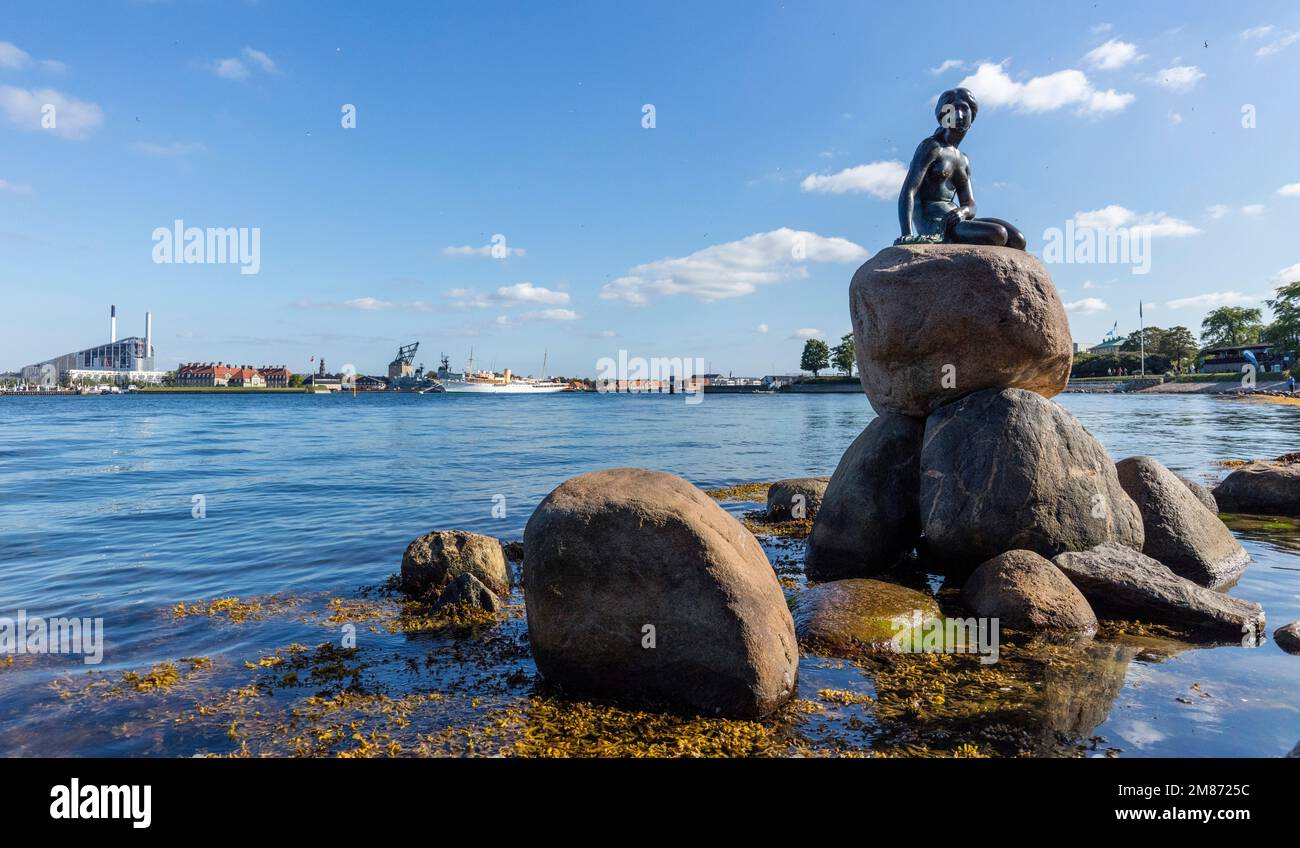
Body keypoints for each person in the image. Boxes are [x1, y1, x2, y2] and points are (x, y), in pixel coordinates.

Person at [896, 88, 1027, 249]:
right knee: (998, 234)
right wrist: (907, 236)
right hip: (936, 225)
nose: (959, 114)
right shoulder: (932, 147)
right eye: (952, 109)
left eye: (964, 108)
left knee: (1018, 239)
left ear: (972, 116)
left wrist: (962, 212)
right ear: (943, 117)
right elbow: (908, 191)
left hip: (956, 219)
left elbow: (970, 204)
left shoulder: (962, 159)